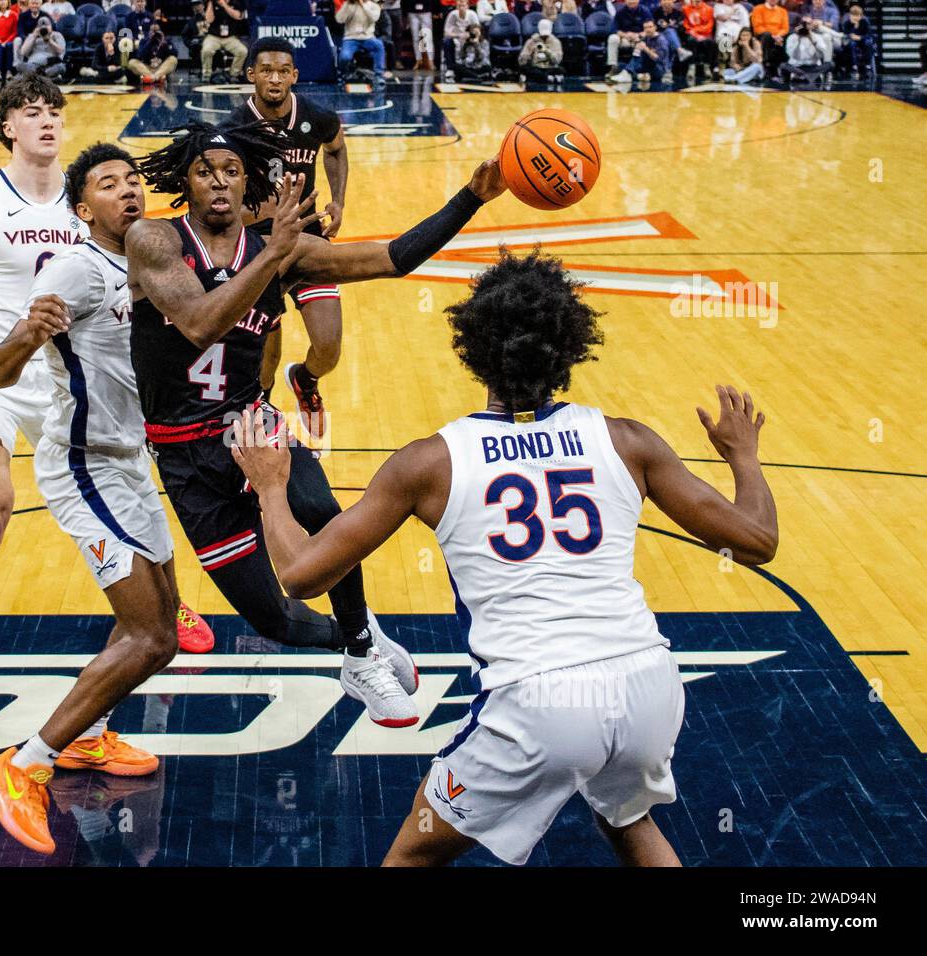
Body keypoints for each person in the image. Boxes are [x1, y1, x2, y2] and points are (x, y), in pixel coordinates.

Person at [230, 249, 779, 867]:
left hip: (537, 703)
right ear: (570, 346)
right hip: (649, 689)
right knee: (629, 821)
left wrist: (274, 488)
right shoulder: (628, 441)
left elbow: (302, 576)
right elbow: (757, 543)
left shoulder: (430, 462)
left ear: (474, 349)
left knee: (413, 854)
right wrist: (743, 458)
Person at [121, 123, 506, 726]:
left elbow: (389, 258)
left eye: (230, 169)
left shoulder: (285, 249)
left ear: (247, 180)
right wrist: (273, 254)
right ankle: (357, 642)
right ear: (187, 184)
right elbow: (199, 324)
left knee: (326, 517)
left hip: (251, 422)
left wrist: (470, 198)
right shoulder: (153, 239)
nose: (218, 180)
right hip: (181, 450)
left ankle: (359, 650)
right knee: (273, 618)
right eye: (204, 170)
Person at [0, 74, 215, 757]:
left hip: (73, 369)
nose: (45, 121)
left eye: (54, 110)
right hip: (1, 369)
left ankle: (152, 601)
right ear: (7, 127)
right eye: (29, 112)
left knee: (118, 459)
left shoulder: (96, 205)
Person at [0, 144, 209, 853]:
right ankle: (23, 764)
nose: (129, 190)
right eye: (109, 185)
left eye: (133, 179)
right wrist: (28, 333)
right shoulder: (75, 267)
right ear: (84, 210)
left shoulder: (152, 263)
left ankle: (92, 737)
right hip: (84, 466)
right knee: (153, 637)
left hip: (130, 461)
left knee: (161, 623)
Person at [229, 36, 350, 443]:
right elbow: (217, 203)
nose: (275, 79)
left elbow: (335, 148)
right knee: (265, 356)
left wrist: (339, 201)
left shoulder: (316, 117)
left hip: (308, 237)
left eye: (284, 71)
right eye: (266, 70)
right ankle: (260, 407)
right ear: (252, 75)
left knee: (329, 346)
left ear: (295, 75)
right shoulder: (232, 129)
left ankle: (305, 379)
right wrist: (260, 213)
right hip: (256, 247)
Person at [606, 15, 668, 83]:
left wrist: (645, 48)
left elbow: (658, 59)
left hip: (659, 69)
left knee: (640, 51)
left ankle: (629, 74)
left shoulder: (661, 40)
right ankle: (634, 75)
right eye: (645, 28)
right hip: (647, 65)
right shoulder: (646, 37)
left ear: (655, 27)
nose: (648, 29)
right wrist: (636, 43)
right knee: (621, 65)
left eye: (650, 27)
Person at [780, 16, 834, 87]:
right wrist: (798, 41)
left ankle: (807, 76)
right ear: (799, 26)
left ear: (811, 26)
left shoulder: (816, 37)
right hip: (797, 67)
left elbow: (821, 55)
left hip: (812, 67)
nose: (805, 27)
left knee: (830, 64)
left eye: (808, 24)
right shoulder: (792, 37)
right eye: (804, 24)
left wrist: (814, 43)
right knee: (783, 65)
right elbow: (792, 55)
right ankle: (789, 82)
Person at [201, 0, 248, 80]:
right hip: (213, 36)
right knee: (207, 50)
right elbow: (209, 20)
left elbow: (238, 16)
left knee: (242, 51)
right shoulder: (210, 3)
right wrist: (210, 3)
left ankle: (234, 74)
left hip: (230, 37)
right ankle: (206, 75)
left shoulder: (236, 2)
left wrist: (224, 5)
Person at [605, 0, 647, 77]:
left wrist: (639, 35)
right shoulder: (620, 12)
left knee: (644, 43)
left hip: (639, 40)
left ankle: (635, 70)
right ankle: (613, 67)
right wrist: (625, 35)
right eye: (629, 1)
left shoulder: (644, 11)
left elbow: (650, 28)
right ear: (626, 2)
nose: (631, 3)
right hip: (625, 39)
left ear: (638, 1)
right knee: (612, 38)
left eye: (633, 2)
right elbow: (614, 30)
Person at [127, 19, 176, 83]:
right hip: (147, 69)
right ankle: (155, 77)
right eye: (152, 31)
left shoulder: (166, 41)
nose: (154, 33)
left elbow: (175, 53)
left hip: (161, 68)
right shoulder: (144, 41)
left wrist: (164, 44)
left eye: (157, 31)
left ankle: (153, 77)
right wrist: (149, 42)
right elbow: (140, 55)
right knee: (132, 62)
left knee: (173, 59)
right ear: (149, 32)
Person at [441, 0, 480, 81]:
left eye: (463, 3)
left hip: (469, 39)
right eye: (459, 3)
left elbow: (478, 30)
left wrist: (474, 38)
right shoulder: (452, 15)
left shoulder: (472, 14)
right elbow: (446, 33)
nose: (461, 4)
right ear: (456, 5)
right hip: (456, 38)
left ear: (467, 5)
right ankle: (450, 68)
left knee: (481, 43)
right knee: (446, 41)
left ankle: (474, 67)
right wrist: (458, 35)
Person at [749, 0, 788, 77]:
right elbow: (757, 27)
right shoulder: (758, 9)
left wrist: (778, 36)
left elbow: (785, 28)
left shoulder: (783, 11)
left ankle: (785, 67)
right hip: (763, 35)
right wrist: (773, 36)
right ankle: (767, 64)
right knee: (767, 36)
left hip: (778, 36)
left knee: (789, 36)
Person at [518, 16, 562, 83]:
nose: (544, 37)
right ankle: (547, 78)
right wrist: (531, 51)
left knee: (560, 70)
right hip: (535, 67)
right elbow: (521, 62)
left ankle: (543, 78)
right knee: (524, 69)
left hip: (549, 67)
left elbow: (556, 61)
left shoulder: (555, 42)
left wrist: (547, 51)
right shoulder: (531, 41)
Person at [681, 0, 716, 80]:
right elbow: (685, 24)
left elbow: (709, 25)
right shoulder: (685, 8)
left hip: (704, 33)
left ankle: (707, 67)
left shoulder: (709, 9)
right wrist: (694, 33)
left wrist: (697, 31)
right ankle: (691, 67)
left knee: (711, 43)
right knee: (691, 41)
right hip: (691, 33)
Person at [839, 4, 874, 79]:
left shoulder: (864, 22)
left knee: (867, 43)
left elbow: (869, 34)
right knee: (852, 44)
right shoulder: (847, 23)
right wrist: (853, 28)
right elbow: (846, 34)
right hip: (851, 42)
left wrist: (860, 37)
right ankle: (854, 66)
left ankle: (868, 66)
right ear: (850, 15)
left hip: (862, 40)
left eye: (858, 15)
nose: (856, 17)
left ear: (861, 16)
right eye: (854, 15)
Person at [406, 0, 434, 70]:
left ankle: (431, 60)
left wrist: (435, 10)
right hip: (412, 11)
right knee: (415, 38)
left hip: (426, 10)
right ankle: (418, 60)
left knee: (427, 37)